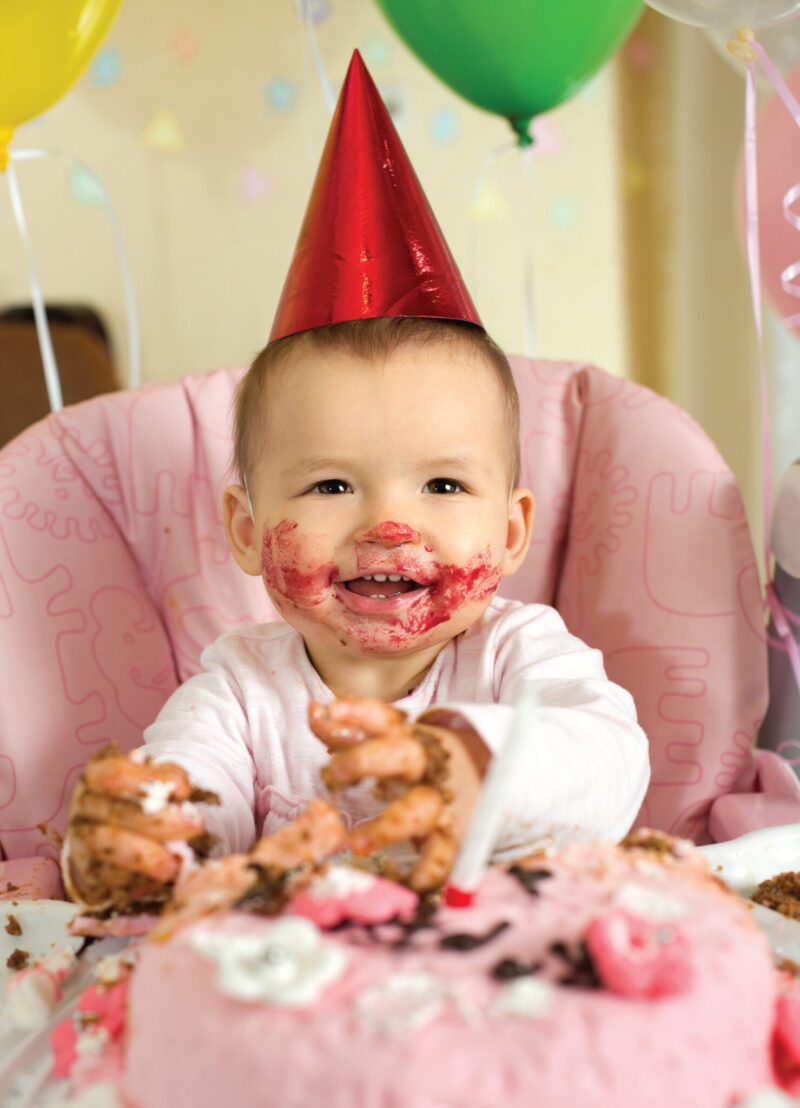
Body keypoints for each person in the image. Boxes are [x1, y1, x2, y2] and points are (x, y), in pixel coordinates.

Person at [62, 51, 649, 911]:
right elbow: (193, 790)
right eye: (332, 487)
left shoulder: (519, 655)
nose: (389, 524)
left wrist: (472, 763)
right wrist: (143, 835)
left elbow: (611, 764)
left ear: (511, 532)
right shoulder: (241, 688)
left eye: (443, 487)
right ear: (247, 530)